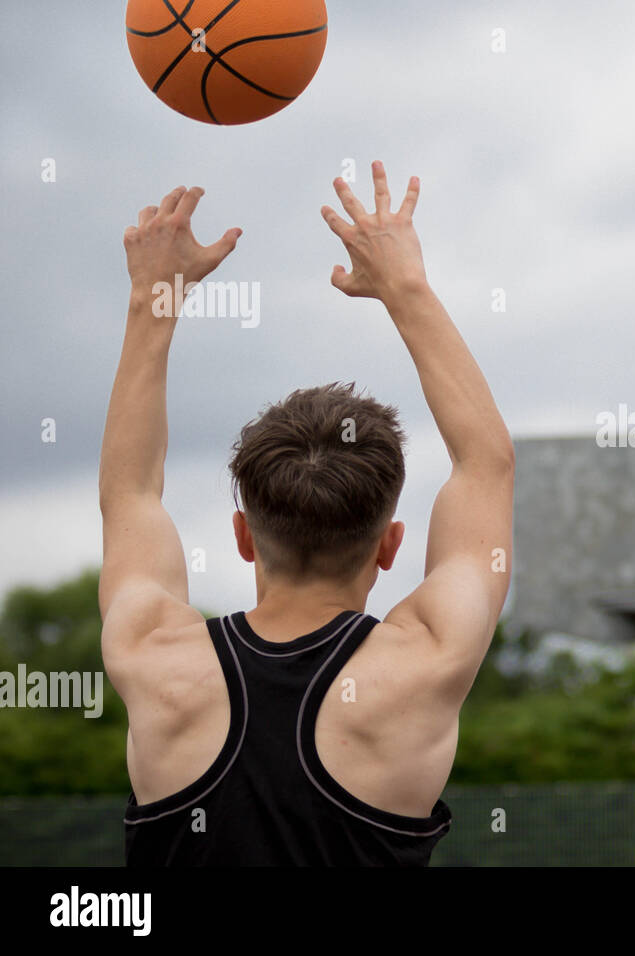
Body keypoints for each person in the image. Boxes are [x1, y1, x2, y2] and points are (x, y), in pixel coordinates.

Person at [98, 162, 513, 865]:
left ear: (242, 537)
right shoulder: (426, 660)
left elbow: (130, 493)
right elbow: (487, 464)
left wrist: (154, 298)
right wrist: (403, 287)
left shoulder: (153, 653)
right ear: (390, 545)